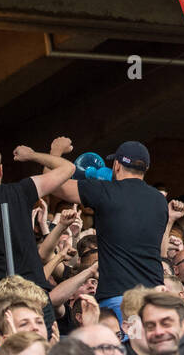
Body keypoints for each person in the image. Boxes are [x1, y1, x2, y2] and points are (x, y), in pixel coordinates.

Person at [18, 139, 167, 324]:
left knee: (124, 352)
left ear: (117, 165)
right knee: (153, 350)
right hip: (155, 298)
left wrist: (55, 151)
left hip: (120, 300)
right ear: (145, 169)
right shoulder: (160, 202)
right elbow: (162, 251)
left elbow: (53, 185)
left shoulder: (105, 191)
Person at [0, 139, 77, 313]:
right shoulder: (21, 190)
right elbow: (68, 168)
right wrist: (32, 155)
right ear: (0, 170)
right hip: (33, 295)